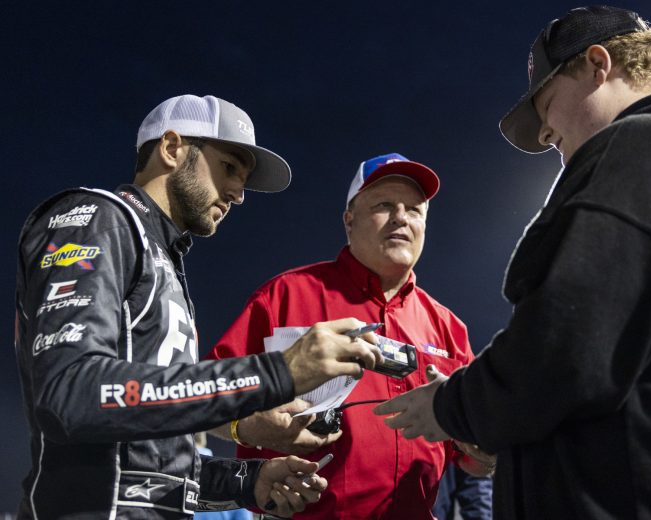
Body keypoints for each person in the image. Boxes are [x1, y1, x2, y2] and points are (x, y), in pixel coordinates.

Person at [374, 5, 651, 519]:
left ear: (597, 65)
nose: (545, 133)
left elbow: (563, 350)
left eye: (546, 104)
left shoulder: (645, 146)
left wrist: (448, 407)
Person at [14, 94, 384, 519]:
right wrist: (278, 372)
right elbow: (70, 394)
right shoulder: (97, 218)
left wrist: (246, 481)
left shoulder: (165, 261)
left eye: (243, 178)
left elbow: (144, 465)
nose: (238, 193)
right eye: (228, 167)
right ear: (172, 148)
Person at [207, 153, 496, 519]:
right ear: (349, 219)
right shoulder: (284, 297)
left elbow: (473, 460)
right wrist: (246, 428)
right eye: (384, 205)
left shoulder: (448, 327)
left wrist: (486, 449)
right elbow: (204, 400)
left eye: (414, 210)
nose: (401, 218)